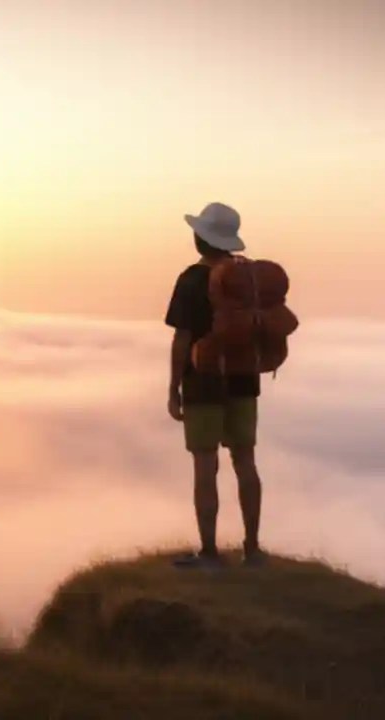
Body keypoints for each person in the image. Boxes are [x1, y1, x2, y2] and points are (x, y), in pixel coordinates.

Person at [164, 202, 265, 567]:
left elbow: (182, 338)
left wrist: (173, 388)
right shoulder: (248, 277)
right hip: (244, 377)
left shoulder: (192, 279)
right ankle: (252, 548)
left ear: (200, 238)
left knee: (206, 464)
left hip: (203, 380)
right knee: (246, 461)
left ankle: (209, 552)